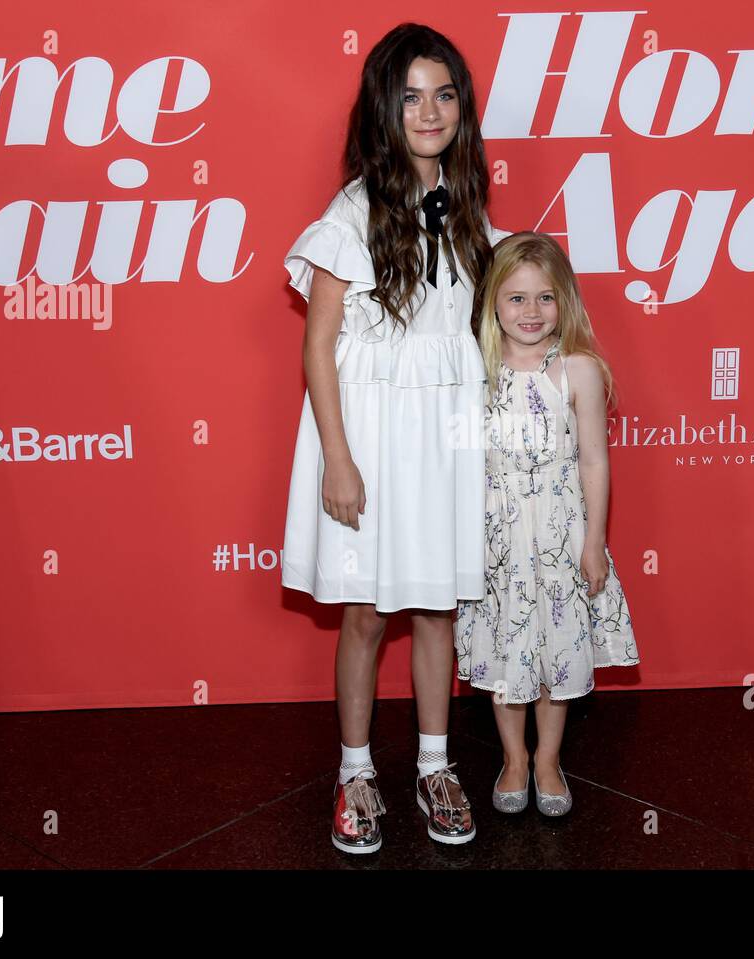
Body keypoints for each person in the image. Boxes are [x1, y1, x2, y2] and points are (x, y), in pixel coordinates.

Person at [281, 22, 510, 854]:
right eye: (411, 95)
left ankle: (434, 765)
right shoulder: (352, 210)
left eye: (444, 93)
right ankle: (353, 771)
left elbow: (479, 329)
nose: (429, 110)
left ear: (463, 107)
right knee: (369, 613)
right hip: (373, 437)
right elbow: (318, 343)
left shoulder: (468, 204)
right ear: (384, 106)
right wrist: (338, 459)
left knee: (439, 605)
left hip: (442, 437)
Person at [455, 232, 640, 817]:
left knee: (557, 652)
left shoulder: (577, 369)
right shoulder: (475, 368)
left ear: (566, 301)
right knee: (508, 652)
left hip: (560, 533)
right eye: (515, 299)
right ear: (492, 303)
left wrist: (594, 543)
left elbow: (593, 460)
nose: (530, 313)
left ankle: (547, 760)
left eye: (544, 298)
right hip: (497, 534)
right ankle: (513, 758)